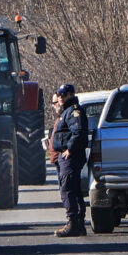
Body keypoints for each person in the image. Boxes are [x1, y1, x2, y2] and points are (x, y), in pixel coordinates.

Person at [48, 83, 94, 237]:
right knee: (72, 189)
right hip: (65, 156)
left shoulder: (73, 111)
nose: (60, 98)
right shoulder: (66, 111)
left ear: (71, 94)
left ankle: (74, 223)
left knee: (67, 188)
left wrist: (70, 149)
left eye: (63, 95)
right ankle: (78, 224)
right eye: (59, 95)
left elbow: (78, 132)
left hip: (70, 157)